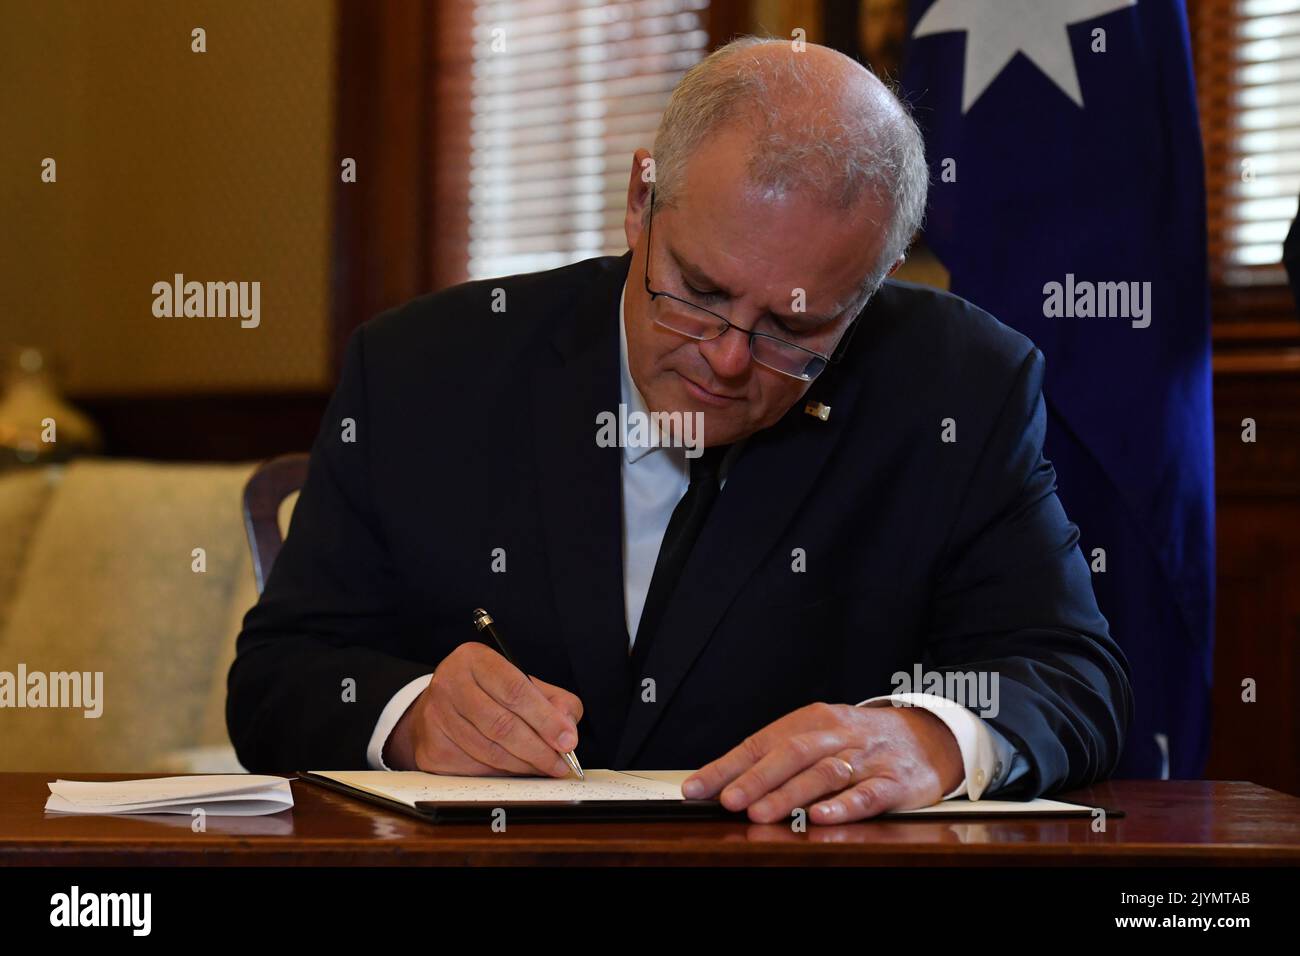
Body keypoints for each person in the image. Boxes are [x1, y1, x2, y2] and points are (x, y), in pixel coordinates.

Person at [227, 37, 1131, 824]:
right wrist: (413, 715)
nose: (729, 360)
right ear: (640, 200)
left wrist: (928, 738)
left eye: (796, 326)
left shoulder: (960, 386)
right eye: (697, 294)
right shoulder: (425, 369)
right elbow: (280, 678)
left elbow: (1072, 676)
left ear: (877, 279)